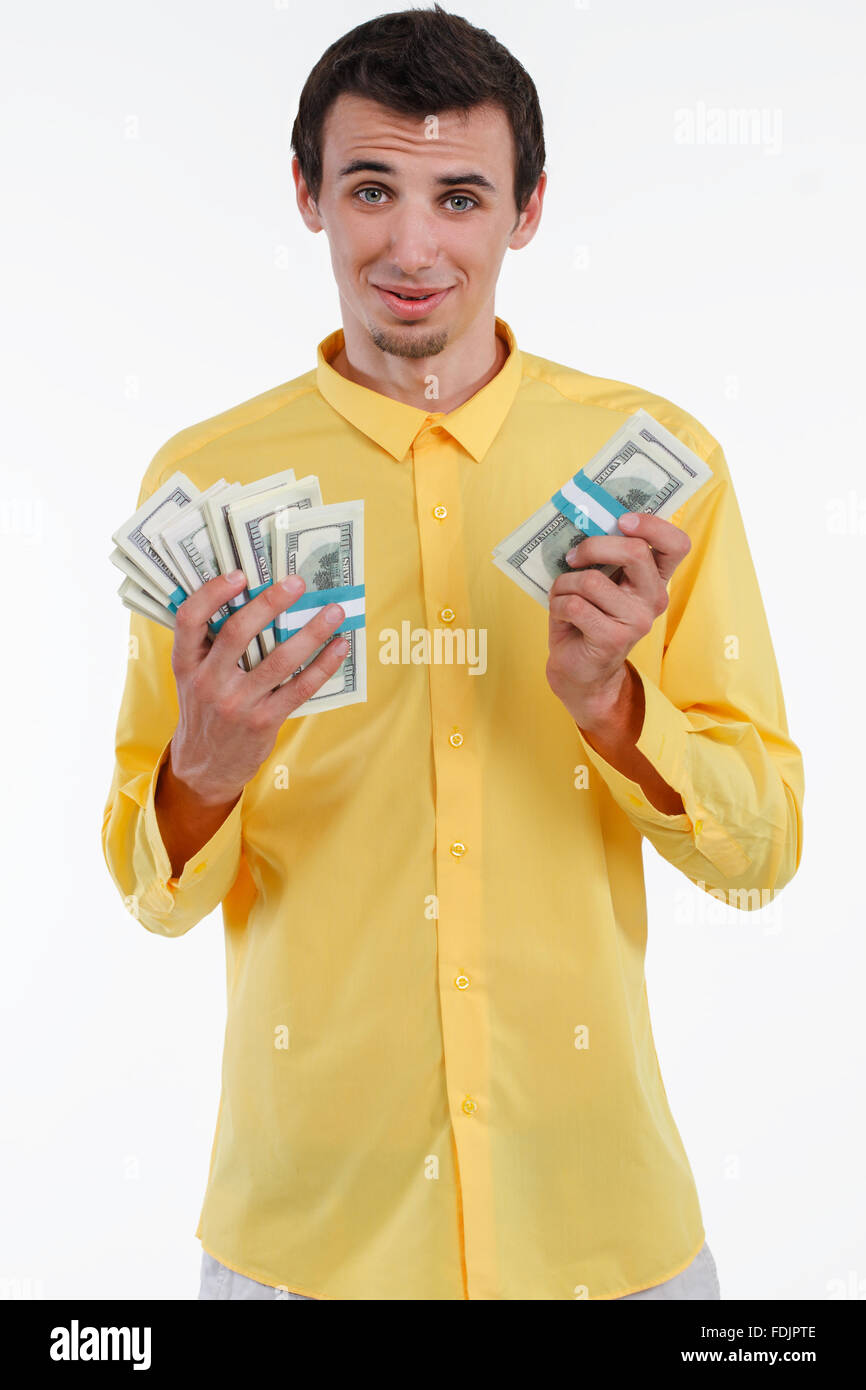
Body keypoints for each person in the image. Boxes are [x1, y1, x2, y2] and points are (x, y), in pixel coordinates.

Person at [101, 4, 804, 1301]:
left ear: (526, 210)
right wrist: (204, 764)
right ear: (307, 193)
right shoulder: (205, 486)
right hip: (302, 1242)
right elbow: (154, 897)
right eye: (371, 187)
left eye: (460, 196)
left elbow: (764, 850)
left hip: (603, 1237)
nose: (412, 246)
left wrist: (614, 707)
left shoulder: (657, 471)